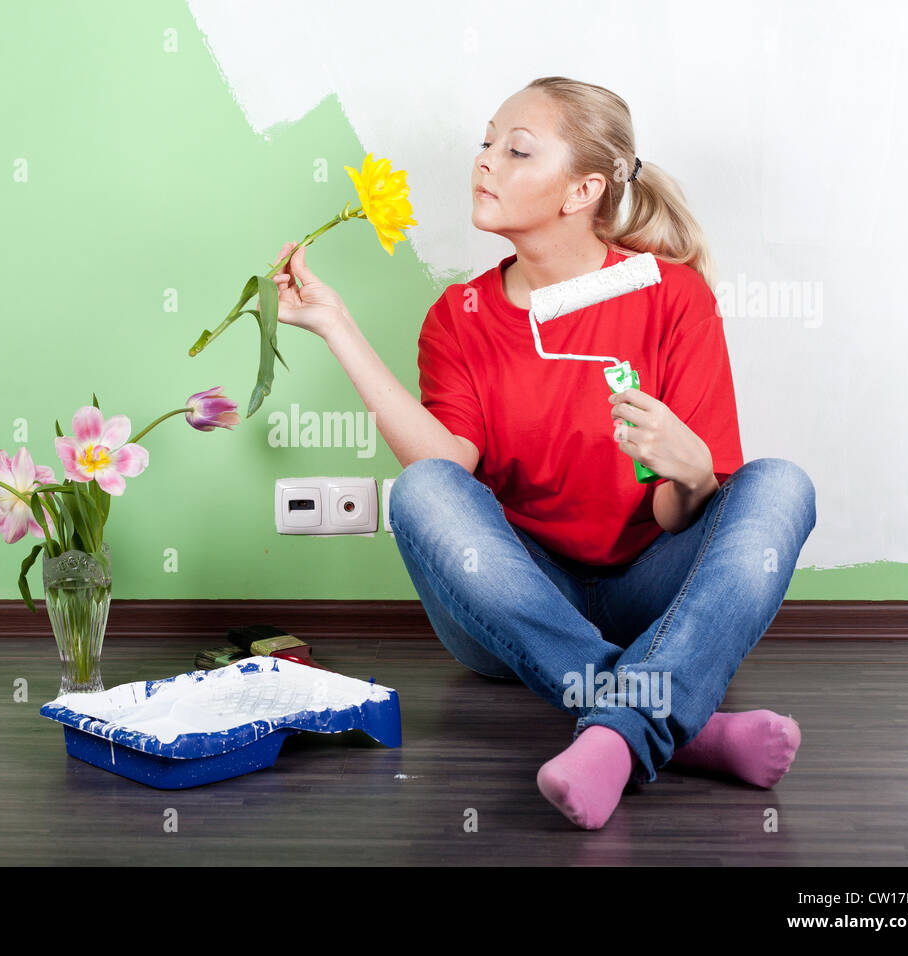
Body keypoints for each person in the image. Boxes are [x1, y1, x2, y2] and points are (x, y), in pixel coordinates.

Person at [268, 77, 816, 830]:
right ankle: (670, 720)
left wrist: (688, 470)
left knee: (782, 485)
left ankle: (621, 727)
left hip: (654, 589)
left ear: (583, 189)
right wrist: (337, 328)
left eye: (517, 149)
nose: (485, 162)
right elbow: (447, 474)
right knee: (420, 490)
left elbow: (675, 511)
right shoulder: (457, 318)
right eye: (486, 141)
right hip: (514, 604)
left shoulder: (673, 297)